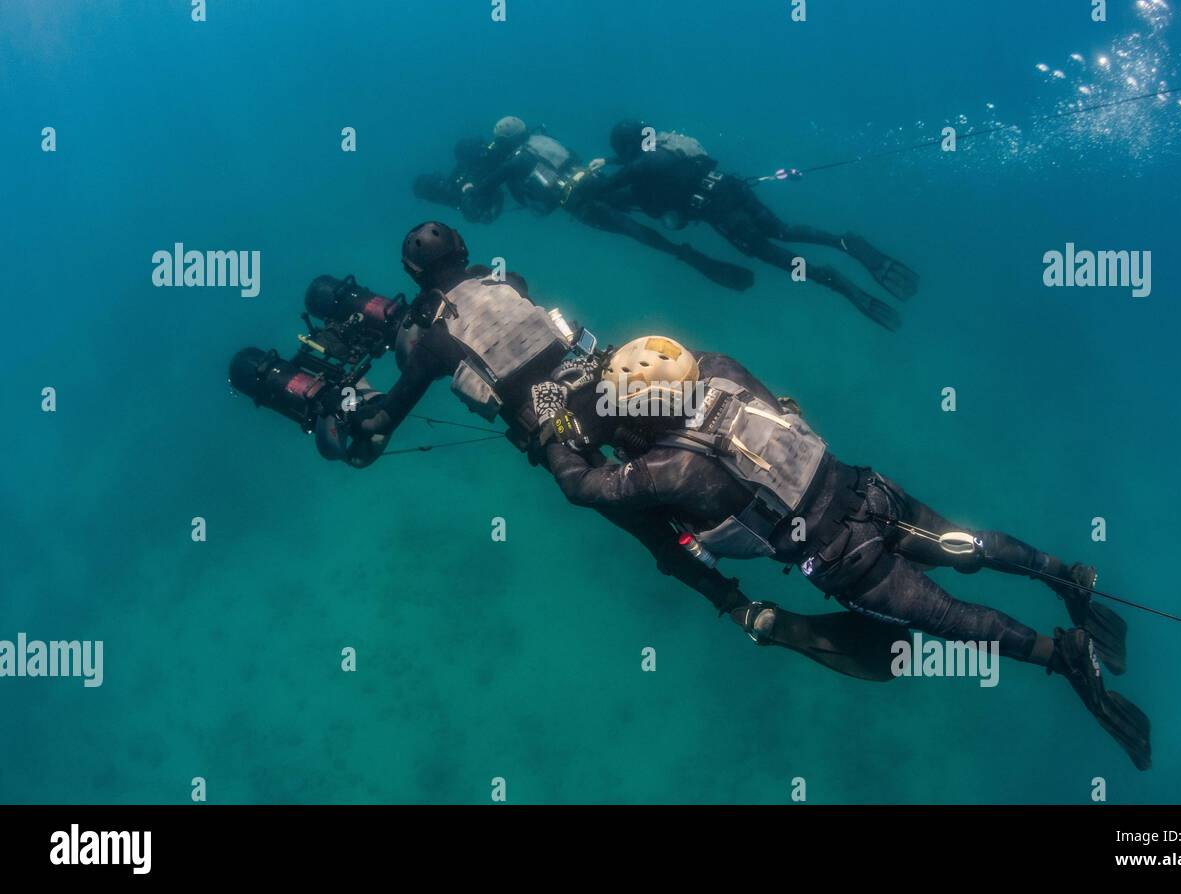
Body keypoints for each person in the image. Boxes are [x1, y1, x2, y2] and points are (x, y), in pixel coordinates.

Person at [242, 221, 904, 676]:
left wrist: (346, 413)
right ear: (464, 250)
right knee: (698, 458)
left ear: (409, 275)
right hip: (605, 386)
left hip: (555, 427)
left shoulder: (426, 339)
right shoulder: (510, 280)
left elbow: (384, 422)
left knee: (644, 521)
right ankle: (821, 529)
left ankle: (745, 611)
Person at [539, 335, 1151, 770]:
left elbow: (583, 487)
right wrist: (608, 371)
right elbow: (671, 376)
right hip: (869, 491)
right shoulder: (719, 367)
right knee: (965, 546)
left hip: (844, 558)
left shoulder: (670, 472)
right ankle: (1066, 577)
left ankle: (1062, 656)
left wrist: (553, 422)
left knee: (950, 619)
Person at [589, 119, 921, 331]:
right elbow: (637, 164)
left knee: (764, 251)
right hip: (733, 187)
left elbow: (610, 187)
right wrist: (607, 161)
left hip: (719, 211)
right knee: (782, 229)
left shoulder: (642, 166)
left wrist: (591, 179)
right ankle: (843, 242)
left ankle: (827, 277)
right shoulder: (664, 148)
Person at [446, 116, 755, 291]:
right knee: (638, 207)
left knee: (630, 229)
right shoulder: (543, 140)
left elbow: (486, 189)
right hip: (592, 182)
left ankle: (687, 255)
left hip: (579, 203)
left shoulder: (514, 161)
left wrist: (468, 187)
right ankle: (693, 207)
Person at [412, 137, 506, 224]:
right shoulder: (463, 171)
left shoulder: (465, 170)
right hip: (476, 196)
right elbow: (483, 215)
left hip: (480, 194)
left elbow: (485, 215)